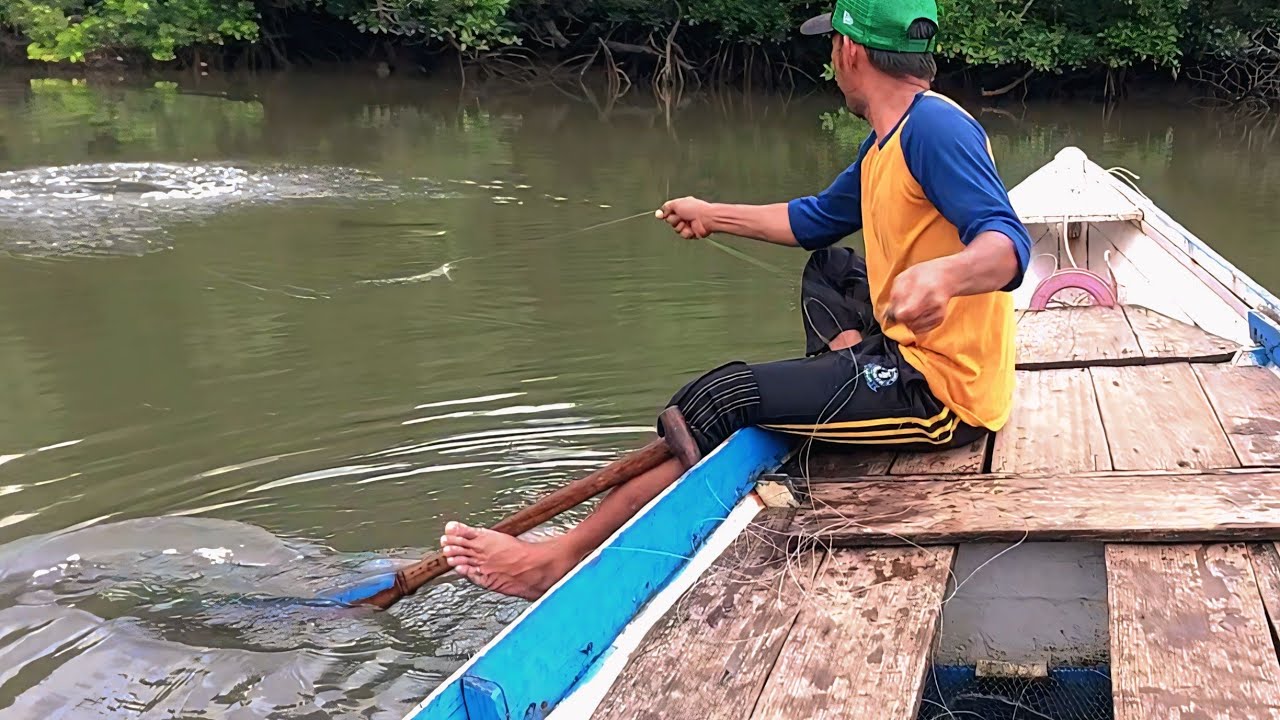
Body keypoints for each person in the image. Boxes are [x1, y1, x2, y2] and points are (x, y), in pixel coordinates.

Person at [439, 0, 1033, 600]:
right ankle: (850, 375)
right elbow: (816, 220)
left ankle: (557, 560)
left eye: (833, 48)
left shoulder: (936, 129)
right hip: (901, 346)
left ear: (848, 51)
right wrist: (711, 214)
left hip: (942, 393)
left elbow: (1009, 244)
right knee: (829, 267)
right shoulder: (888, 140)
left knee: (723, 396)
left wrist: (946, 278)